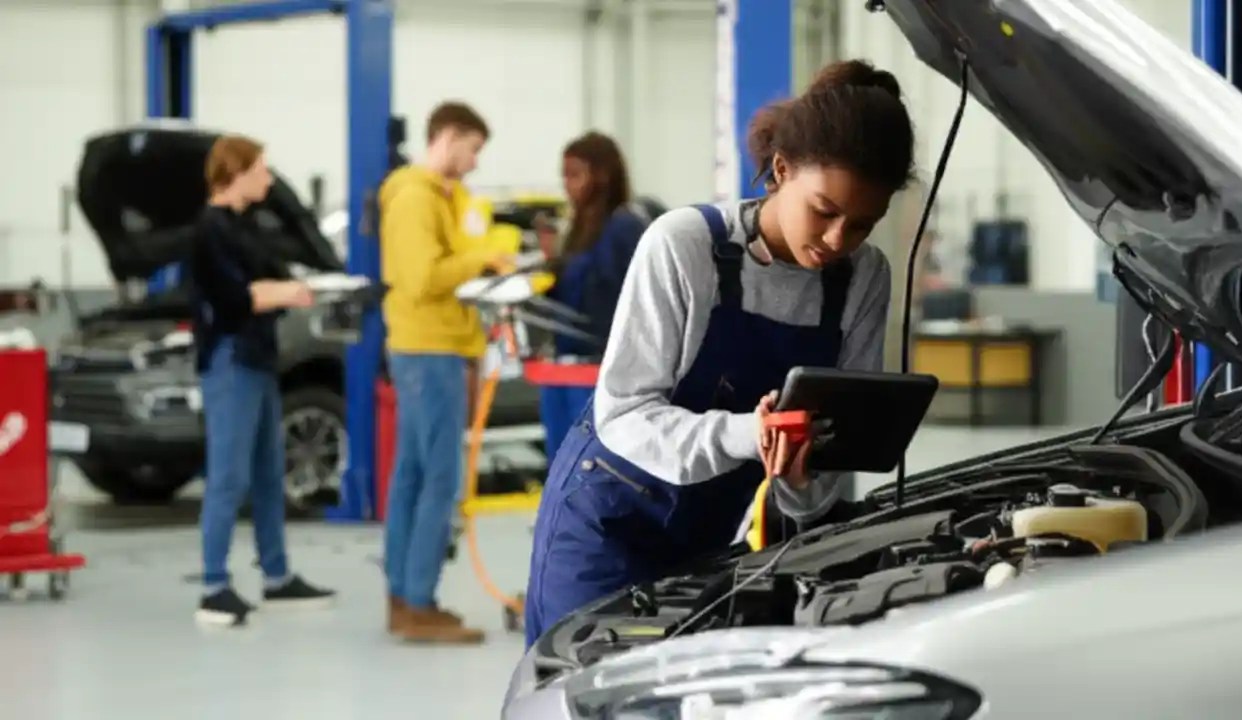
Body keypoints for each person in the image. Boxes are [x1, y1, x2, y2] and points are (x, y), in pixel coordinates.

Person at [523, 59, 913, 645]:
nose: (838, 241)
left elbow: (836, 455)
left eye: (862, 225)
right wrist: (745, 434)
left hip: (711, 529)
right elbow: (624, 415)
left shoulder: (862, 279)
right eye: (825, 212)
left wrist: (802, 481)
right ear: (782, 169)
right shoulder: (685, 246)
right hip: (605, 519)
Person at [188, 134, 336, 627]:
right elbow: (233, 298)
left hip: (259, 359)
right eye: (262, 170)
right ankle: (213, 585)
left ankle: (276, 576)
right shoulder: (209, 231)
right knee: (228, 477)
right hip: (230, 361)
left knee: (269, 473)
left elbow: (275, 272)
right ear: (237, 171)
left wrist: (308, 281)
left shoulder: (246, 227)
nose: (269, 180)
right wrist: (287, 293)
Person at [379, 101, 512, 643]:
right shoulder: (413, 198)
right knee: (439, 478)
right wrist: (484, 261)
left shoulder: (443, 199)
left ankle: (404, 595)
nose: (475, 162)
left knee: (412, 476)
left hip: (432, 348)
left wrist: (484, 249)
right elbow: (421, 276)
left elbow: (448, 257)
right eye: (473, 148)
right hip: (428, 350)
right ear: (449, 136)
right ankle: (418, 602)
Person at [538, 131, 649, 461]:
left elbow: (626, 299)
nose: (567, 185)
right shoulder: (576, 231)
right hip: (564, 371)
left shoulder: (624, 227)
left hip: (599, 374)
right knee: (561, 465)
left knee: (590, 466)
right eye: (564, 176)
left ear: (602, 176)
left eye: (575, 174)